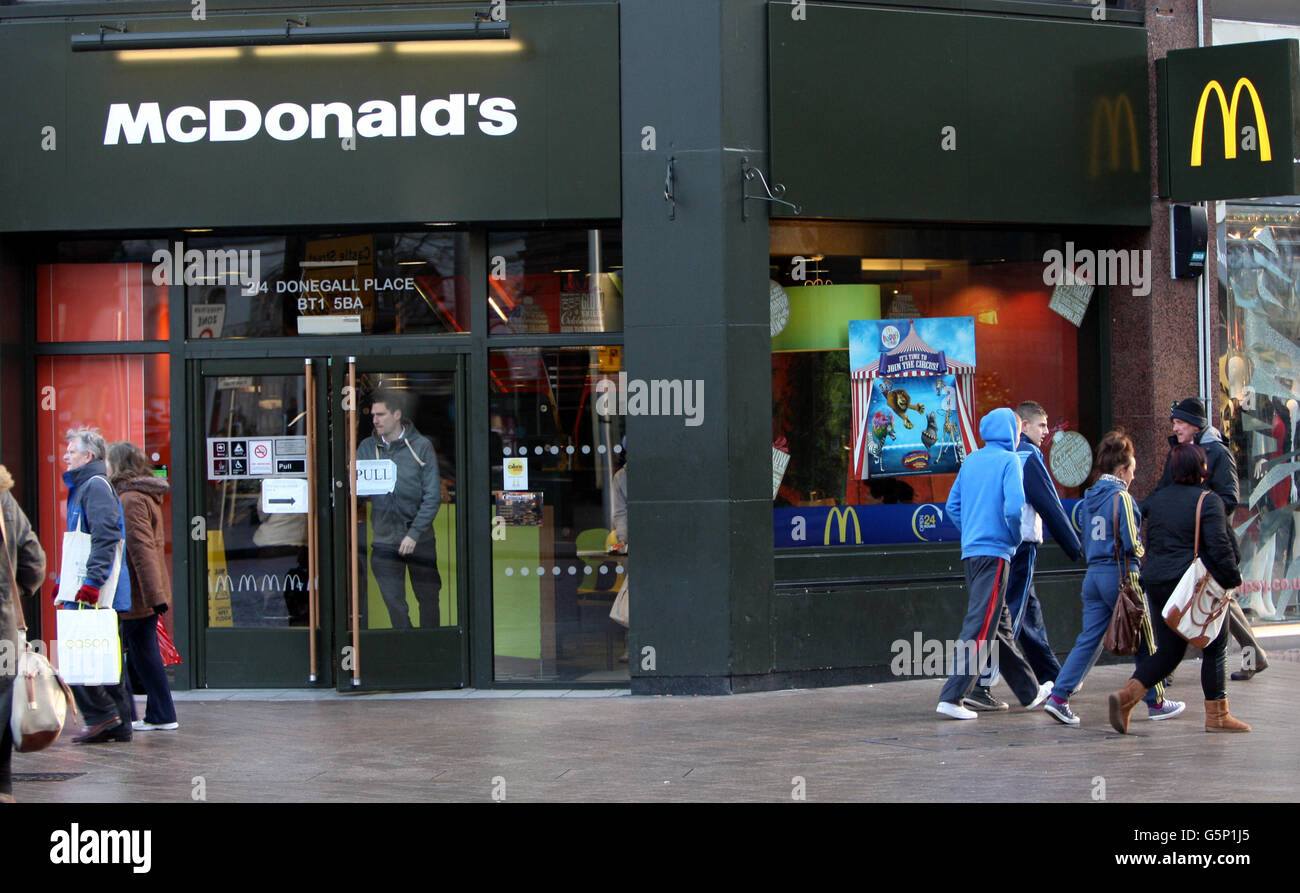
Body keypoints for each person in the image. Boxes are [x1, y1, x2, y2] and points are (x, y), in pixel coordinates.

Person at [1042, 430, 1181, 725]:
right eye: (1131, 470)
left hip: (1093, 575)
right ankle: (1155, 702)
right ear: (1121, 470)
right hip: (1121, 576)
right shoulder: (1122, 497)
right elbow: (1131, 542)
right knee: (1146, 641)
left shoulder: (1090, 498)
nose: (1133, 476)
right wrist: (1144, 551)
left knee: (1088, 640)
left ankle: (1058, 697)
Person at [1110, 443, 1248, 733]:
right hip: (1191, 585)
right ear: (1201, 469)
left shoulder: (1157, 500)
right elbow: (1220, 547)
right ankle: (1217, 716)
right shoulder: (1207, 501)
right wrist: (1233, 580)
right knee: (1214, 645)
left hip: (1158, 582)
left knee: (1170, 652)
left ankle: (1126, 698)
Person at [936, 407, 1053, 720]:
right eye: (1017, 430)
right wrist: (1012, 539)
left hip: (972, 552)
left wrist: (972, 532)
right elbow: (1015, 509)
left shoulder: (972, 459)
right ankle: (952, 696)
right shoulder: (1009, 460)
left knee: (998, 625)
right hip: (996, 553)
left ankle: (1029, 692)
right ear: (1011, 432)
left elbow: (952, 506)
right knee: (980, 624)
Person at [965, 401, 1082, 711]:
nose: (1046, 432)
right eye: (1041, 425)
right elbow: (1050, 505)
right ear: (1024, 426)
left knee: (1028, 614)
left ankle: (1054, 677)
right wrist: (1076, 548)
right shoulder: (1028, 457)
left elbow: (961, 503)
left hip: (991, 546)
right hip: (1020, 544)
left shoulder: (987, 458)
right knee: (1010, 617)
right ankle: (981, 683)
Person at [1146, 397, 1267, 681]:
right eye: (1174, 422)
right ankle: (1253, 656)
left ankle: (1168, 667)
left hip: (1208, 540)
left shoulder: (1219, 452)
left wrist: (1199, 514)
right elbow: (1164, 490)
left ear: (1194, 425)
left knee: (1216, 599)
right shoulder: (1178, 451)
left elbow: (1230, 498)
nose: (1174, 428)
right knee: (1213, 599)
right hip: (1187, 541)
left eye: (1179, 422)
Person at [59, 428, 134, 744]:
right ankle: (118, 721)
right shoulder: (88, 486)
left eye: (71, 451)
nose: (65, 456)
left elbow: (105, 537)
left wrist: (91, 583)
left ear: (87, 456)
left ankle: (104, 716)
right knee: (105, 651)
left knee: (83, 649)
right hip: (93, 587)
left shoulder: (93, 487)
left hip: (96, 590)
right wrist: (66, 583)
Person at [358, 389, 443, 629]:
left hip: (420, 539)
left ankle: (430, 648)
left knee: (428, 598)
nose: (375, 420)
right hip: (384, 539)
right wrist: (351, 481)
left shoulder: (421, 446)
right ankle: (407, 643)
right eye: (373, 414)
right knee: (394, 602)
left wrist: (414, 534)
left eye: (381, 414)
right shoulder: (366, 447)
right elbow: (358, 495)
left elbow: (432, 496)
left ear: (397, 414)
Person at [108, 442, 178, 732]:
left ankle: (158, 714)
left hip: (137, 593)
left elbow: (140, 549)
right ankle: (159, 713)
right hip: (145, 591)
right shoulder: (143, 496)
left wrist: (153, 596)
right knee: (143, 650)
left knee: (141, 652)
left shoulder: (131, 499)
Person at [0, 464, 47, 803]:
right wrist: (19, 592)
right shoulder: (5, 501)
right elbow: (34, 561)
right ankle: (3, 788)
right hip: (3, 629)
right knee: (3, 704)